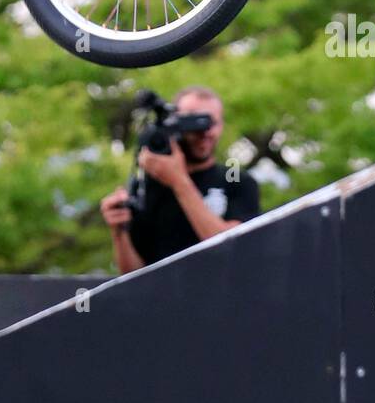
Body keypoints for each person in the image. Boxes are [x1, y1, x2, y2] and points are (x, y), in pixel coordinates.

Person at [100, 85, 260, 272]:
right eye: (193, 122)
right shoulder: (148, 188)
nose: (204, 132)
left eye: (211, 123)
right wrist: (119, 232)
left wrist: (179, 181)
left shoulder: (236, 181)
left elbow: (230, 249)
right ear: (173, 124)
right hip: (165, 298)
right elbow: (133, 275)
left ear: (221, 126)